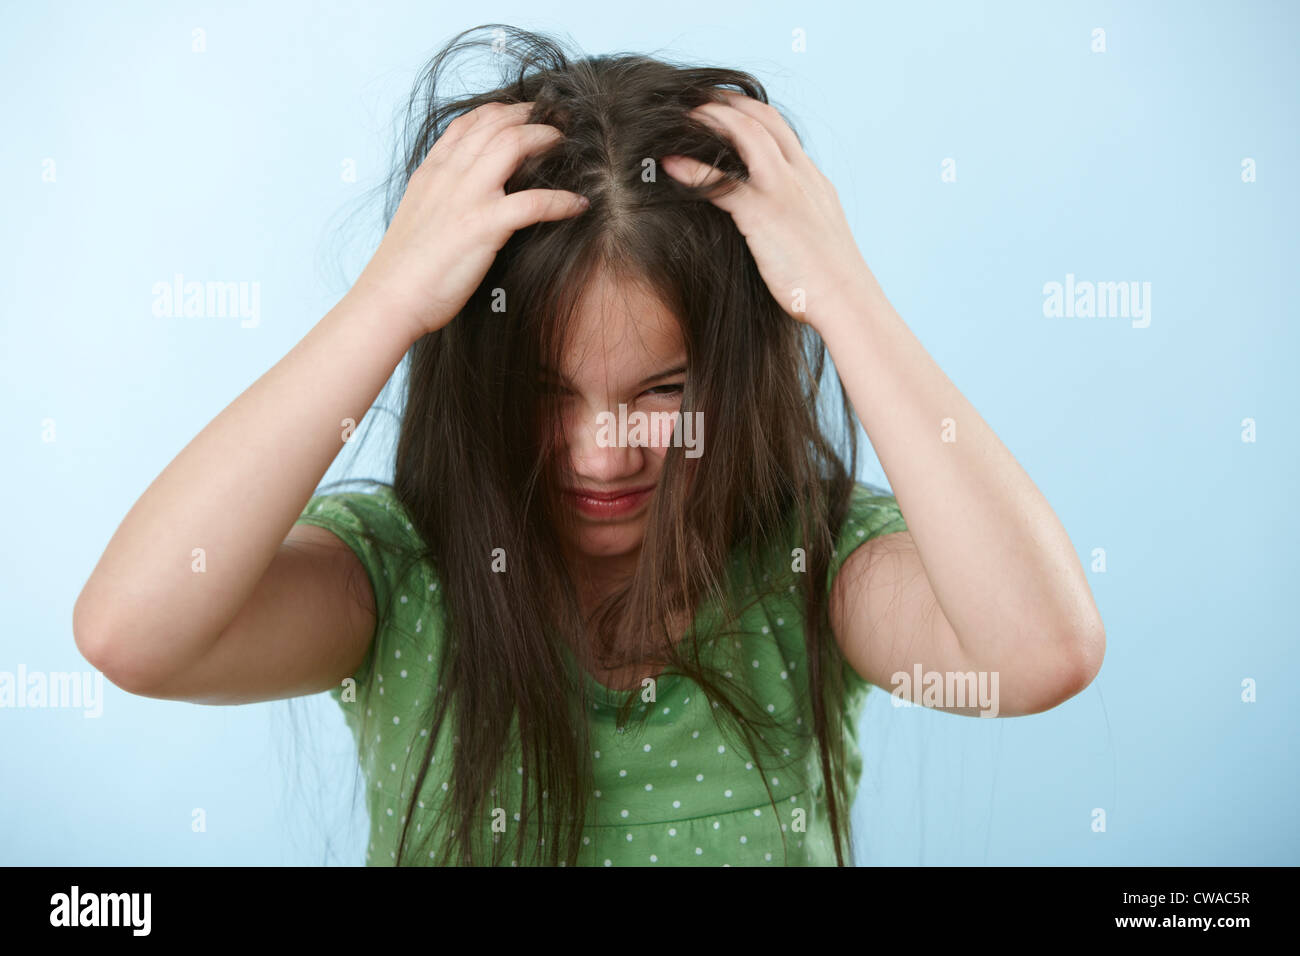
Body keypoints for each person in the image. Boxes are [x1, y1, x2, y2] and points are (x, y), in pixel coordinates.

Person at [72, 25, 1105, 866]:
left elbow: (1037, 652)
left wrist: (840, 294)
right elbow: (132, 632)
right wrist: (384, 303)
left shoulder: (813, 568)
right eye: (543, 394)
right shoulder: (395, 583)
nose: (604, 456)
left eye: (665, 390)